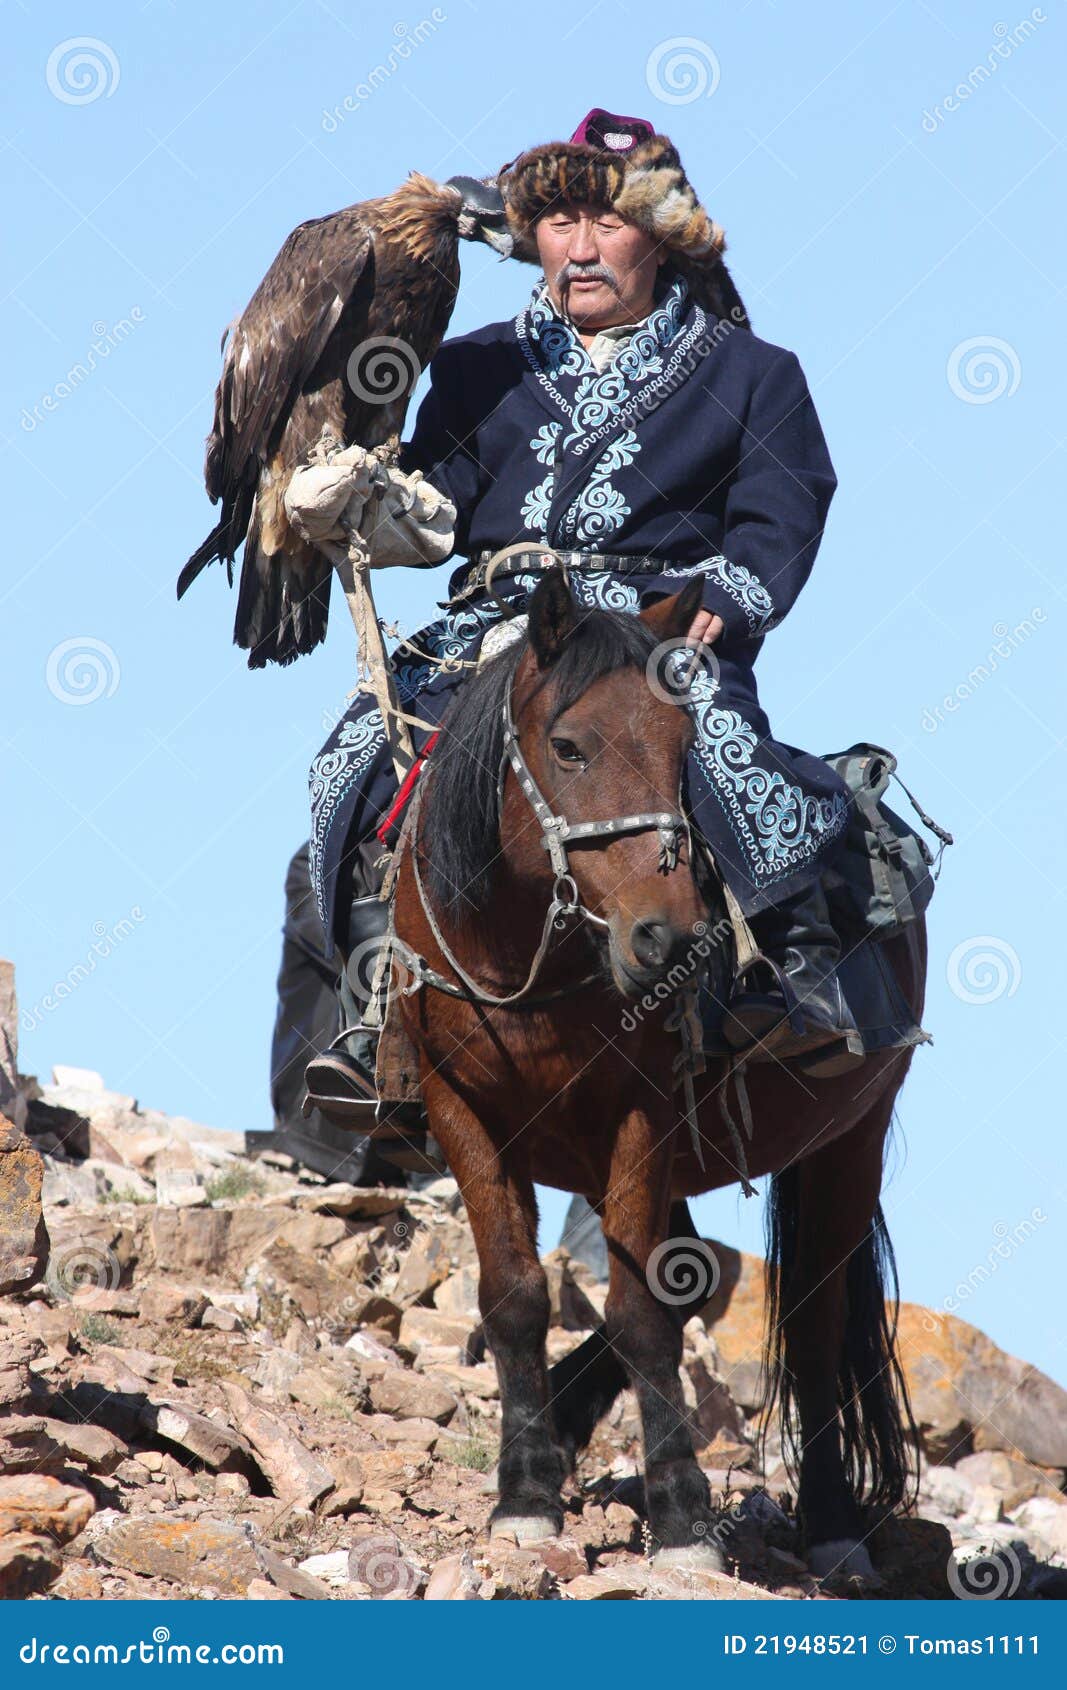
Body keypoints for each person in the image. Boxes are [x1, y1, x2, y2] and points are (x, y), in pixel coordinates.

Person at [303, 107, 863, 1138]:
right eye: (558, 225)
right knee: (348, 764)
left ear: (663, 237)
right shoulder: (477, 366)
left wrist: (730, 604)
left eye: (606, 224)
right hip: (499, 634)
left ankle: (788, 984)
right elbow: (441, 498)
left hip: (655, 636)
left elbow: (784, 510)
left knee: (731, 759)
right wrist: (370, 503)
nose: (581, 247)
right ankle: (374, 1022)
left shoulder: (754, 373)